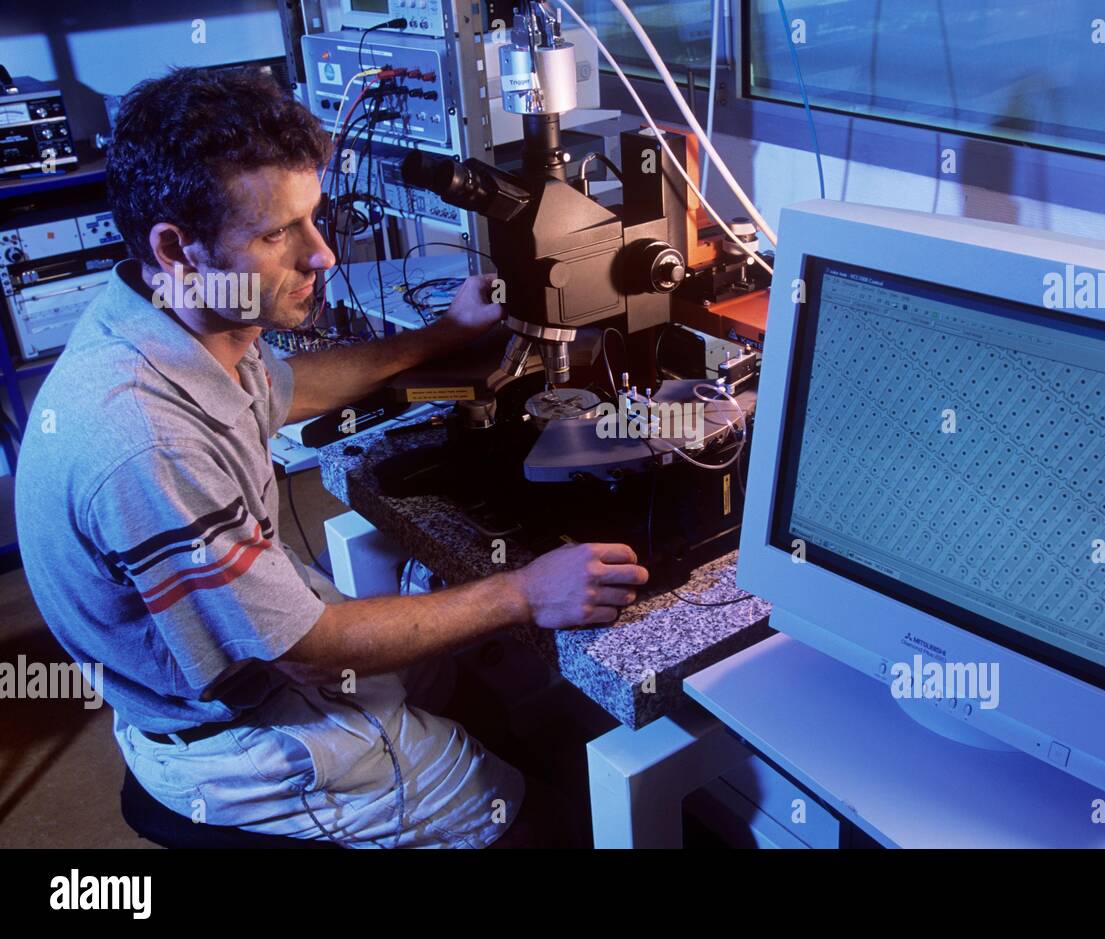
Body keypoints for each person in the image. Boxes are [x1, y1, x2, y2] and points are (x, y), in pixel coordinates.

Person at [14, 66, 648, 848]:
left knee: (481, 689)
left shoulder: (172, 317)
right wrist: (524, 592)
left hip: (249, 671)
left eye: (314, 220)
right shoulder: (144, 438)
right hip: (248, 737)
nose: (322, 257)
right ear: (177, 246)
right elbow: (312, 651)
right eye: (279, 233)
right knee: (537, 824)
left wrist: (441, 337)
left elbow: (284, 385)